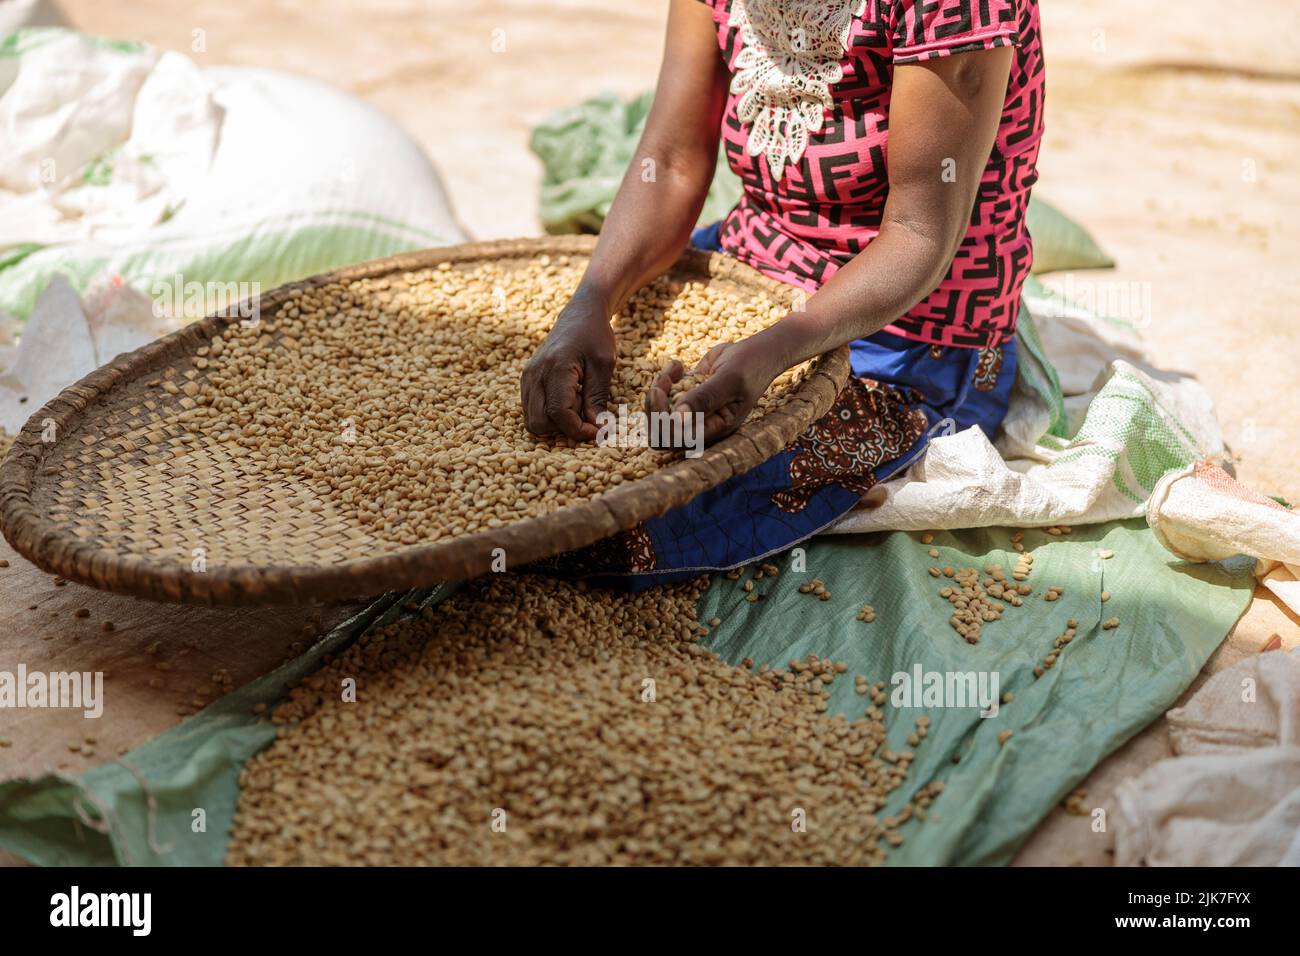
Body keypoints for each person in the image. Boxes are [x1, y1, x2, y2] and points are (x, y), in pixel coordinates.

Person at [521, 0, 1044, 584]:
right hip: (747, 269)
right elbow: (668, 163)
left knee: (627, 523)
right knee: (531, 429)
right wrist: (590, 303)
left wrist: (773, 351)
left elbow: (919, 233)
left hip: (903, 330)